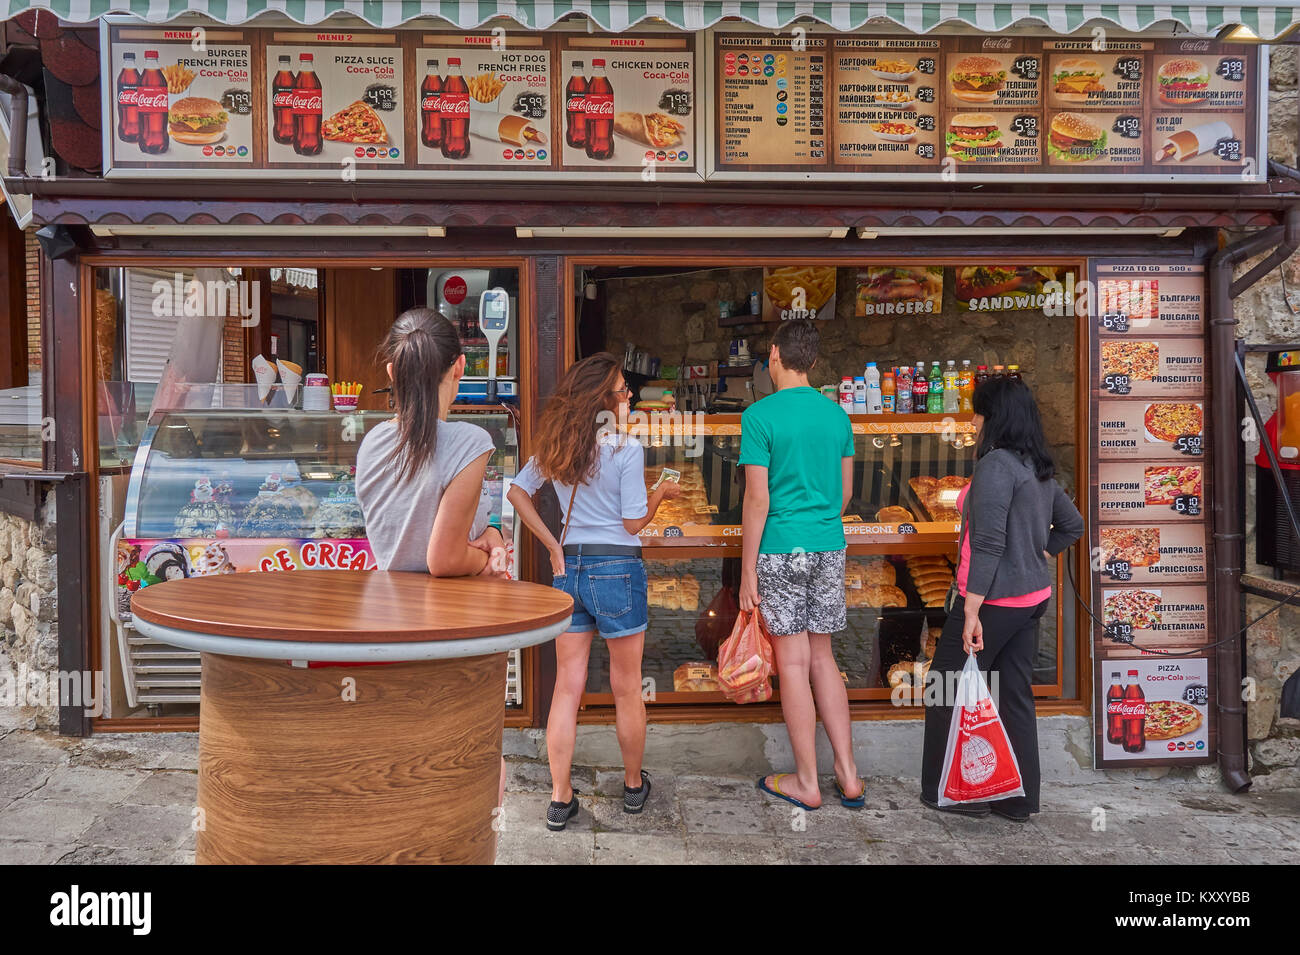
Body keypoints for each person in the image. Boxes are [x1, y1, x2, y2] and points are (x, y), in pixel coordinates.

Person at [507, 353, 681, 831]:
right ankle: (631, 787)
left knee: (568, 685)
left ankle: (560, 798)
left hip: (571, 567)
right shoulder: (626, 449)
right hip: (618, 567)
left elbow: (517, 492)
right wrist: (660, 497)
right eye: (623, 390)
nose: (628, 397)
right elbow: (631, 523)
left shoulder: (559, 444)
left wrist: (551, 546)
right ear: (603, 398)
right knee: (627, 687)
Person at [354, 308, 511, 808]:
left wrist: (483, 533)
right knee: (470, 758)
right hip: (452, 628)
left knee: (396, 761)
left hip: (383, 625)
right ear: (460, 367)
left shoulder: (373, 443)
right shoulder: (470, 442)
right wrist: (485, 560)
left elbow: (420, 529)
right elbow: (443, 559)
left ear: (391, 374)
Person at [920, 375, 1084, 821]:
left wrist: (970, 609)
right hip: (1031, 598)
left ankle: (954, 793)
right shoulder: (1036, 463)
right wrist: (1032, 556)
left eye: (977, 413)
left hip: (990, 602)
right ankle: (1018, 800)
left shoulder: (995, 466)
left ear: (994, 417)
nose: (972, 422)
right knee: (1013, 696)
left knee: (944, 689)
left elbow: (989, 544)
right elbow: (1071, 525)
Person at [740, 320, 865, 811]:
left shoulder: (759, 415)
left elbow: (756, 498)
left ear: (774, 355)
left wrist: (748, 570)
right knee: (823, 659)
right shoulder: (837, 417)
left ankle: (807, 783)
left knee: (791, 664)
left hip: (781, 548)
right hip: (828, 546)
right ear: (812, 362)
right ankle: (849, 775)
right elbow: (846, 494)